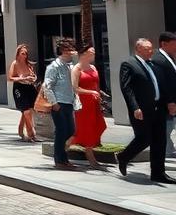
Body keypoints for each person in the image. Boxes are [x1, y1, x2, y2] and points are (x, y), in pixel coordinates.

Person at [118, 37, 176, 183]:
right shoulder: (129, 64)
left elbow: (162, 85)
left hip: (159, 108)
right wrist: (135, 107)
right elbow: (127, 89)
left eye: (151, 48)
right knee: (144, 138)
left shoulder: (154, 64)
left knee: (159, 141)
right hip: (142, 110)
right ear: (138, 49)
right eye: (147, 48)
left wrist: (169, 102)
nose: (151, 51)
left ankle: (158, 173)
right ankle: (123, 157)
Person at [42, 37, 78, 170]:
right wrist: (54, 102)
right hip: (59, 103)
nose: (72, 52)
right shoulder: (54, 66)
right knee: (61, 131)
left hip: (69, 102)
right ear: (62, 50)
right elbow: (47, 86)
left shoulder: (71, 66)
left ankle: (63, 158)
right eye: (69, 49)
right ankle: (60, 160)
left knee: (70, 131)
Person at [70, 44, 106, 169]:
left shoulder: (93, 68)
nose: (94, 54)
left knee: (97, 126)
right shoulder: (77, 69)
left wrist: (99, 93)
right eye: (91, 52)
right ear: (84, 53)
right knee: (84, 130)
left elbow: (96, 85)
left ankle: (64, 150)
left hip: (94, 103)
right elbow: (75, 88)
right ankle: (91, 159)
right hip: (83, 104)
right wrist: (91, 92)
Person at [152, 31, 176, 159]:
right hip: (167, 102)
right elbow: (162, 83)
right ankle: (167, 151)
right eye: (173, 44)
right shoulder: (159, 60)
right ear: (164, 44)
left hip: (172, 101)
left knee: (168, 127)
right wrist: (170, 101)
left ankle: (169, 150)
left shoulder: (169, 57)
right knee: (167, 128)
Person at [8, 44, 39, 143]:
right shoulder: (15, 64)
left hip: (29, 87)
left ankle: (21, 131)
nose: (24, 55)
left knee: (28, 110)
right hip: (19, 87)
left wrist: (33, 78)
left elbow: (33, 76)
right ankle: (31, 133)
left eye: (26, 53)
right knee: (26, 111)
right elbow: (10, 78)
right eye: (22, 53)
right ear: (18, 53)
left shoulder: (29, 64)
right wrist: (22, 78)